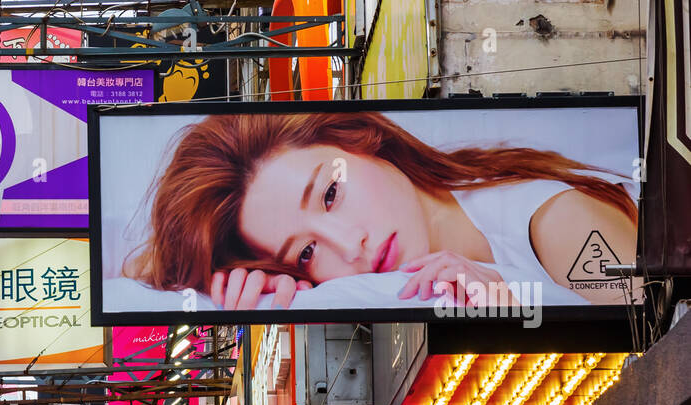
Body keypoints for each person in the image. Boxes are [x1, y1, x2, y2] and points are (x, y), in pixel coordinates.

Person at [124, 111, 638, 310]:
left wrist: (512, 294)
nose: (351, 246)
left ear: (360, 138)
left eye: (331, 194)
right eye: (306, 252)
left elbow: (664, 348)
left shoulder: (557, 221)